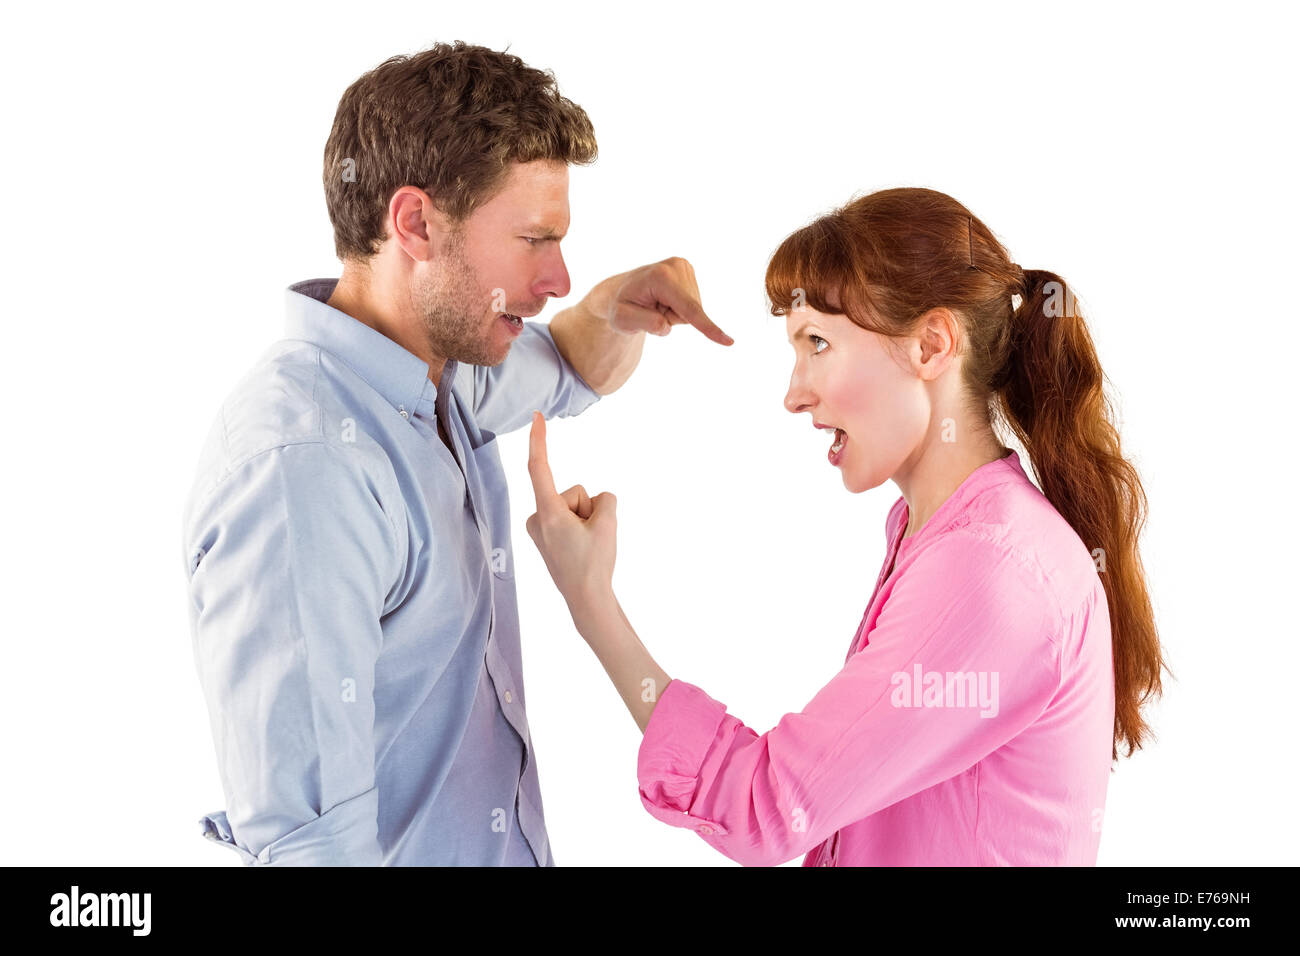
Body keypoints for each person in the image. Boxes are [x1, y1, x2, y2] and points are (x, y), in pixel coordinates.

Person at [179, 42, 731, 866]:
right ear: (415, 223)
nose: (557, 276)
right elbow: (313, 850)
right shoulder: (307, 469)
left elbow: (573, 365)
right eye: (534, 239)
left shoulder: (440, 375)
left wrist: (625, 302)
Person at [523, 186, 1167, 866]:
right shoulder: (944, 536)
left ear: (931, 344)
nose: (795, 393)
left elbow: (764, 806)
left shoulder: (989, 569)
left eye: (818, 344)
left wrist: (591, 601)